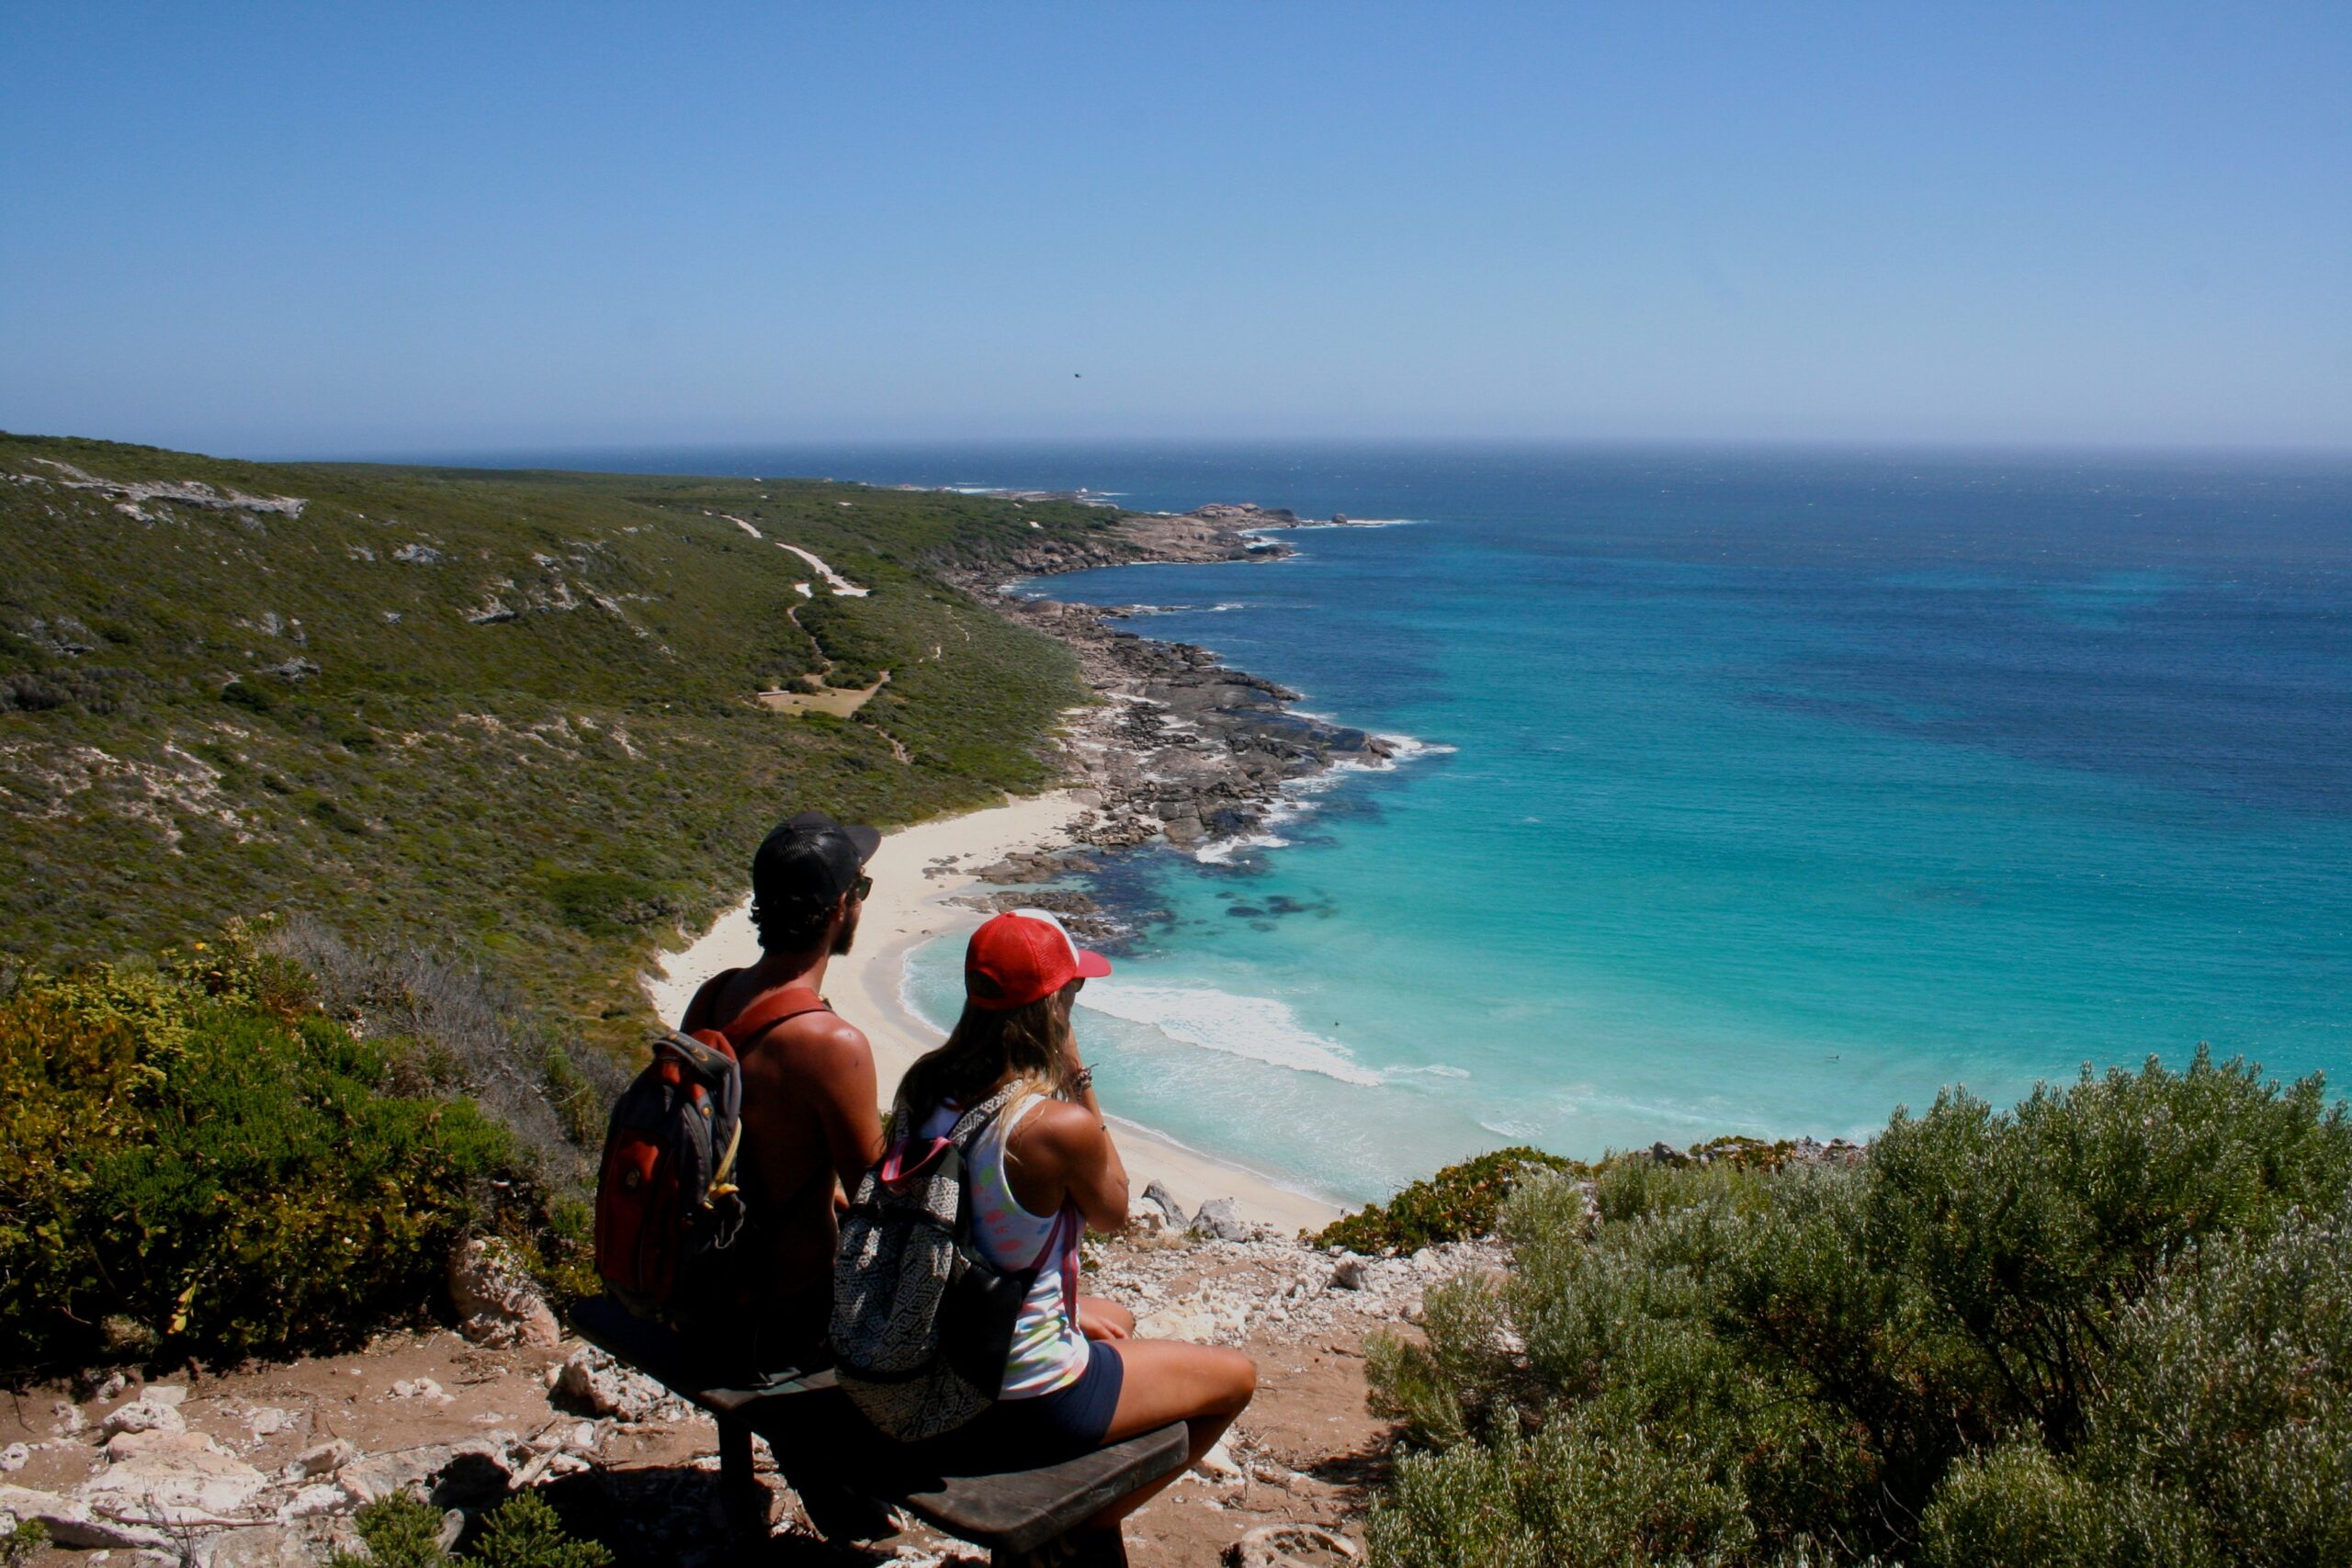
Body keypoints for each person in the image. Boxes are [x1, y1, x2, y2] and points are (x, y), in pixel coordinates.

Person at [896, 908, 1256, 1534]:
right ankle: (1079, 1530)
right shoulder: (1051, 1127)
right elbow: (1115, 1211)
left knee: (1117, 1319)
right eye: (1074, 989)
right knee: (1236, 1379)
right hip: (1026, 1397)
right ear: (1052, 1005)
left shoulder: (923, 1085)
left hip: (935, 1358)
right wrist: (1077, 1074)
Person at [678, 809, 887, 1377]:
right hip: (785, 1318)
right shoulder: (832, 1044)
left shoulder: (712, 996)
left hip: (703, 1290)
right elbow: (878, 1205)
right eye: (861, 888)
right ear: (841, 907)